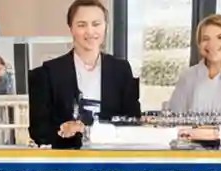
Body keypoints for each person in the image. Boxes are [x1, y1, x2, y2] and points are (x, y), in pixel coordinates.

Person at [28, 0, 141, 149]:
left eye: (96, 24)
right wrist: (64, 130)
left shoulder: (121, 70)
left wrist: (90, 131)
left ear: (105, 26)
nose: (90, 31)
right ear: (71, 28)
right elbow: (38, 131)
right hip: (67, 158)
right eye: (82, 25)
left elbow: (133, 122)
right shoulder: (48, 73)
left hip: (112, 158)